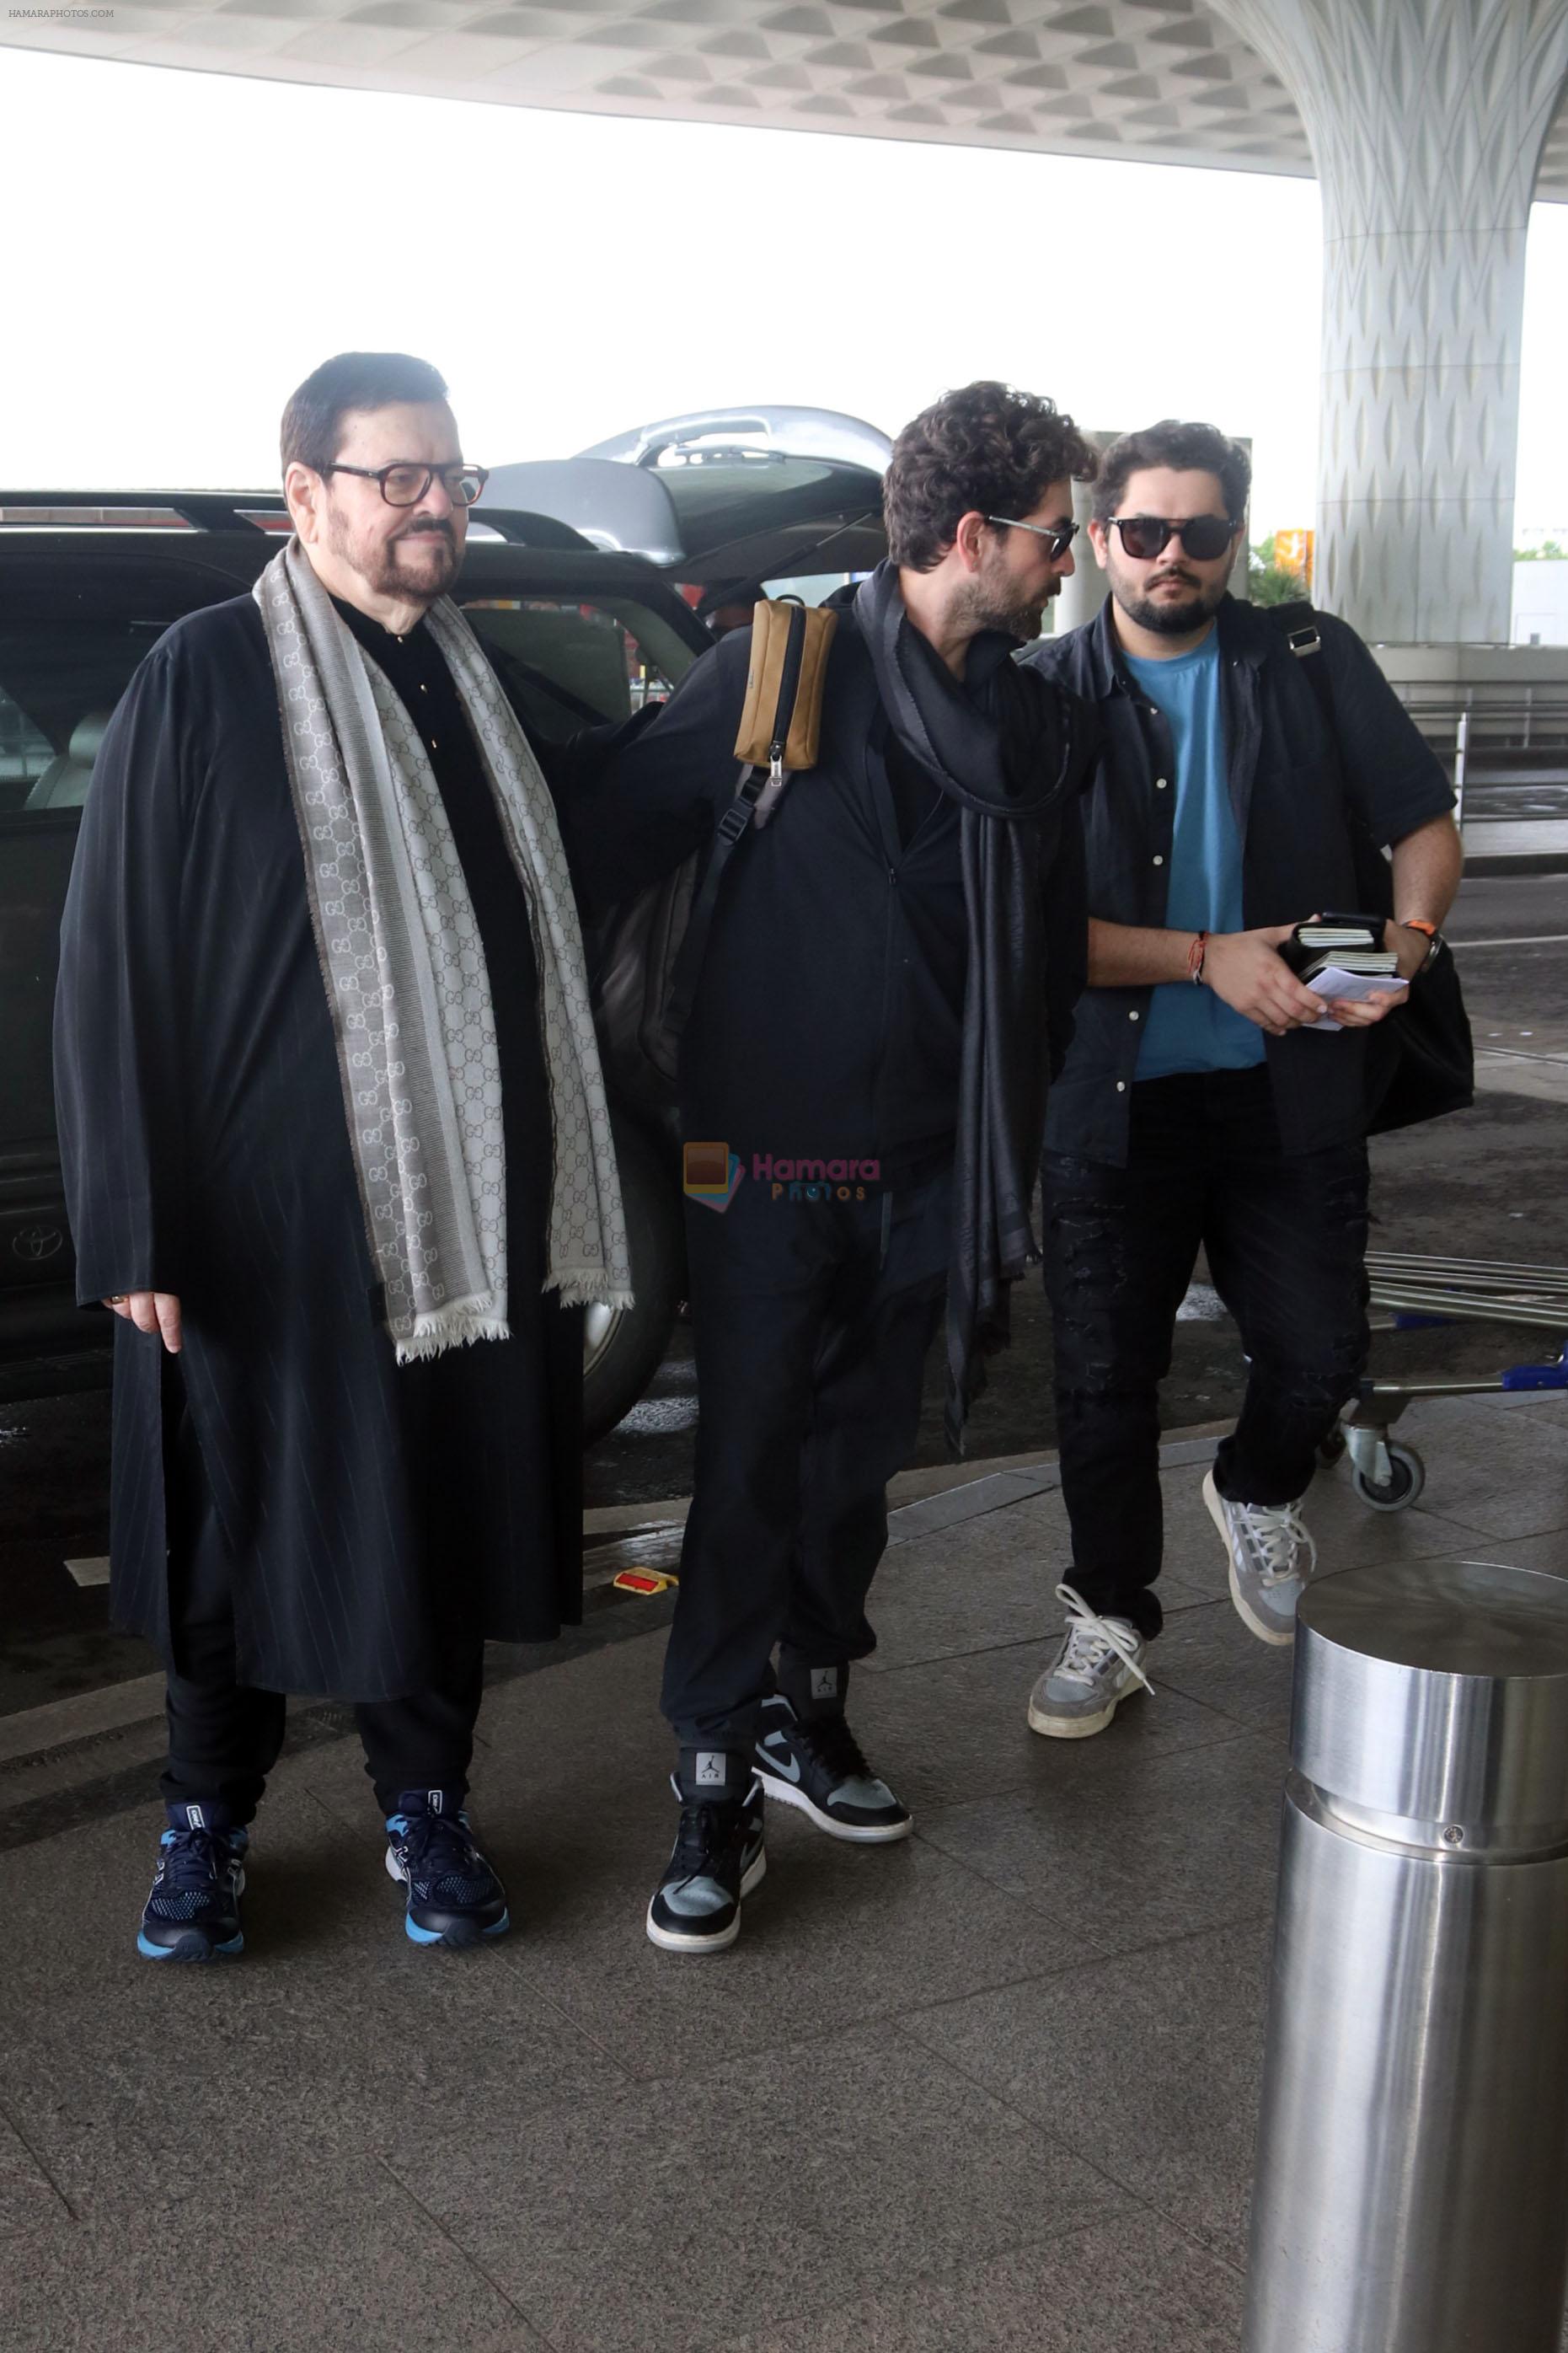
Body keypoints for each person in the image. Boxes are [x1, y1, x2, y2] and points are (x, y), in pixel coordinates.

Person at [54, 351, 629, 1960]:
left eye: (455, 475)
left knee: (435, 1508)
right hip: (255, 1224)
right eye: (403, 477)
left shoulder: (475, 681)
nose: (440, 504)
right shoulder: (210, 671)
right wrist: (133, 1226)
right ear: (301, 494)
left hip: (453, 1211)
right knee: (227, 1516)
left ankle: (424, 1808)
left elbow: (573, 866)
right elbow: (114, 962)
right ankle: (204, 1825)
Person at [559, 383, 1097, 1953]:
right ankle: (713, 1761)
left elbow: (1044, 950)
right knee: (748, 1455)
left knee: (858, 1457)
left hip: (938, 1161)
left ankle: (809, 1704)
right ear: (973, 535)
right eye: (1054, 536)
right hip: (750, 1152)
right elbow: (601, 849)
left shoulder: (1032, 721)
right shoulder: (777, 675)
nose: (1065, 565)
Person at [1020, 419, 1462, 1737]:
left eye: (1200, 534)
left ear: (1234, 544)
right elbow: (1016, 933)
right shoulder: (1038, 695)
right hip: (1111, 1102)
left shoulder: (1308, 660)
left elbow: (1420, 826)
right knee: (1103, 1379)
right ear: (1100, 539)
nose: (1171, 556)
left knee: (1321, 1347)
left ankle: (1256, 1487)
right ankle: (1108, 1614)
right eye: (1143, 532)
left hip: (1291, 1093)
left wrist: (1409, 941)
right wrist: (1202, 957)